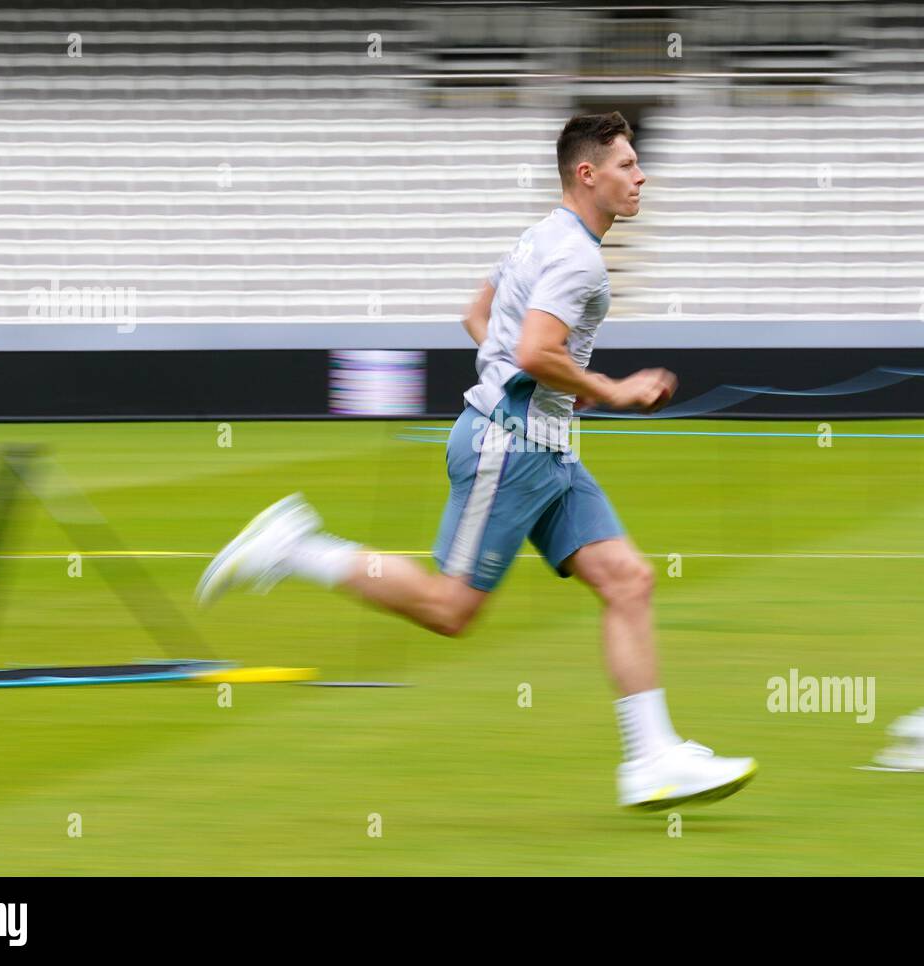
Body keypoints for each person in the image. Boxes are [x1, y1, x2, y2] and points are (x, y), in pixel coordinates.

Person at [196, 111, 757, 809]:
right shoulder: (578, 258)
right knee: (449, 609)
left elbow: (479, 314)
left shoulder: (540, 237)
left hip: (543, 444)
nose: (641, 177)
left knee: (627, 580)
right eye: (626, 165)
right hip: (510, 447)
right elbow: (531, 351)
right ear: (588, 174)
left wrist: (547, 386)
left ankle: (652, 758)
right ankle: (298, 548)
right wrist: (605, 389)